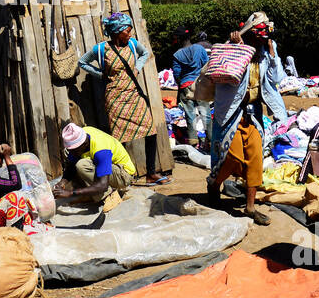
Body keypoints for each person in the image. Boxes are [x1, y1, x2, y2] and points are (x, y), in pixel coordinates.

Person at [205, 12, 285, 226]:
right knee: (231, 156)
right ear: (250, 33)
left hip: (254, 113)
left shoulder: (266, 52)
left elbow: (277, 79)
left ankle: (250, 208)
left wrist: (272, 53)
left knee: (255, 159)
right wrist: (238, 49)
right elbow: (225, 73)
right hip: (231, 111)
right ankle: (214, 185)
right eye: (260, 34)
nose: (264, 38)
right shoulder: (232, 47)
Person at [79, 11, 168, 184]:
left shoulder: (133, 44)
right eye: (127, 30)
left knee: (151, 131)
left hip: (134, 95)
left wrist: (137, 68)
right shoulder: (101, 49)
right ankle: (124, 175)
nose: (130, 33)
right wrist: (100, 74)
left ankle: (150, 173)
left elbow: (145, 54)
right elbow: (82, 62)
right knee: (119, 139)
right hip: (115, 98)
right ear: (117, 31)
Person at [54, 122, 136, 211]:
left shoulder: (101, 149)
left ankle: (110, 196)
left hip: (123, 174)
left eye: (74, 150)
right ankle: (92, 195)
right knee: (75, 161)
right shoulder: (82, 135)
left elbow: (103, 185)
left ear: (84, 144)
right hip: (108, 169)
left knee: (82, 165)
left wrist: (71, 193)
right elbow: (70, 165)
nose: (72, 153)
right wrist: (63, 182)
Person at [171, 29, 211, 151]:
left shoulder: (177, 55)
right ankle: (211, 141)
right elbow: (206, 65)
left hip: (185, 87)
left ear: (179, 39)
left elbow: (177, 74)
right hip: (199, 85)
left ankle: (193, 144)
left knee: (190, 115)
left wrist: (181, 85)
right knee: (206, 114)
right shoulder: (199, 49)